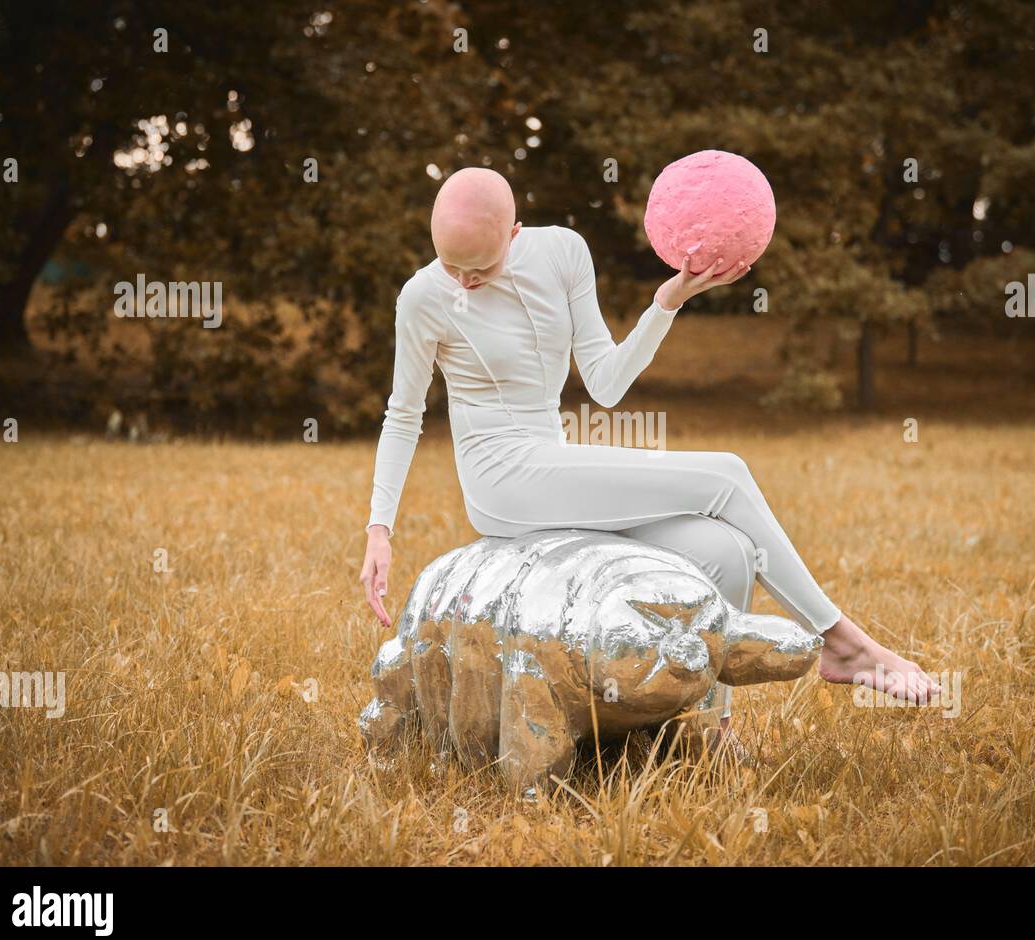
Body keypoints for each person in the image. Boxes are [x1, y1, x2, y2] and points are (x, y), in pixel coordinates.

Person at [360, 167, 938, 745]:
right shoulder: (423, 296)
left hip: (552, 462)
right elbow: (403, 414)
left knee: (727, 551)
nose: (463, 281)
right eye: (451, 265)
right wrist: (379, 529)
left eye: (479, 268)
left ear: (514, 234)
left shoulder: (563, 252)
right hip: (502, 480)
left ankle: (709, 725)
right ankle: (844, 642)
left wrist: (666, 303)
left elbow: (606, 385)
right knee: (727, 474)